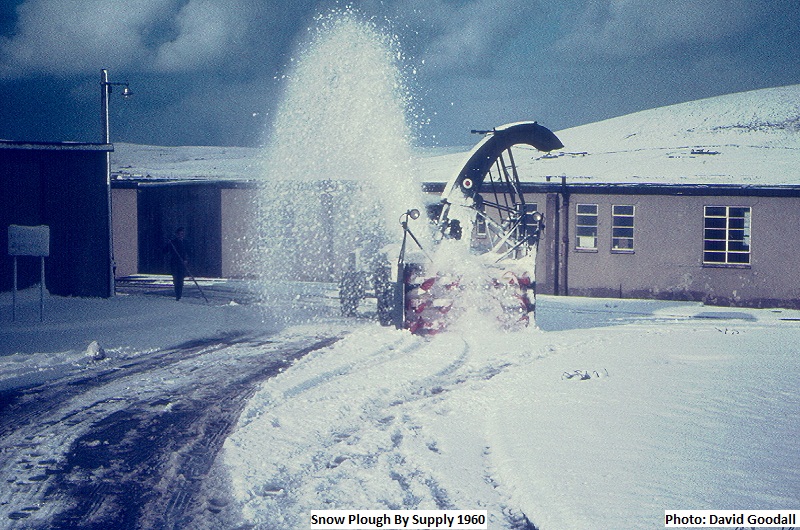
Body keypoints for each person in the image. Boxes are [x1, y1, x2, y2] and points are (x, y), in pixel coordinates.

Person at [165, 227, 189, 300]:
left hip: (182, 263)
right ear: (176, 234)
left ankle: (179, 294)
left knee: (181, 279)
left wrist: (186, 260)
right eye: (179, 234)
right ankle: (177, 294)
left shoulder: (185, 242)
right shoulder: (173, 242)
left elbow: (189, 252)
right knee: (176, 279)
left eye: (182, 234)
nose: (181, 235)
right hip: (175, 263)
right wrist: (168, 245)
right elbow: (165, 251)